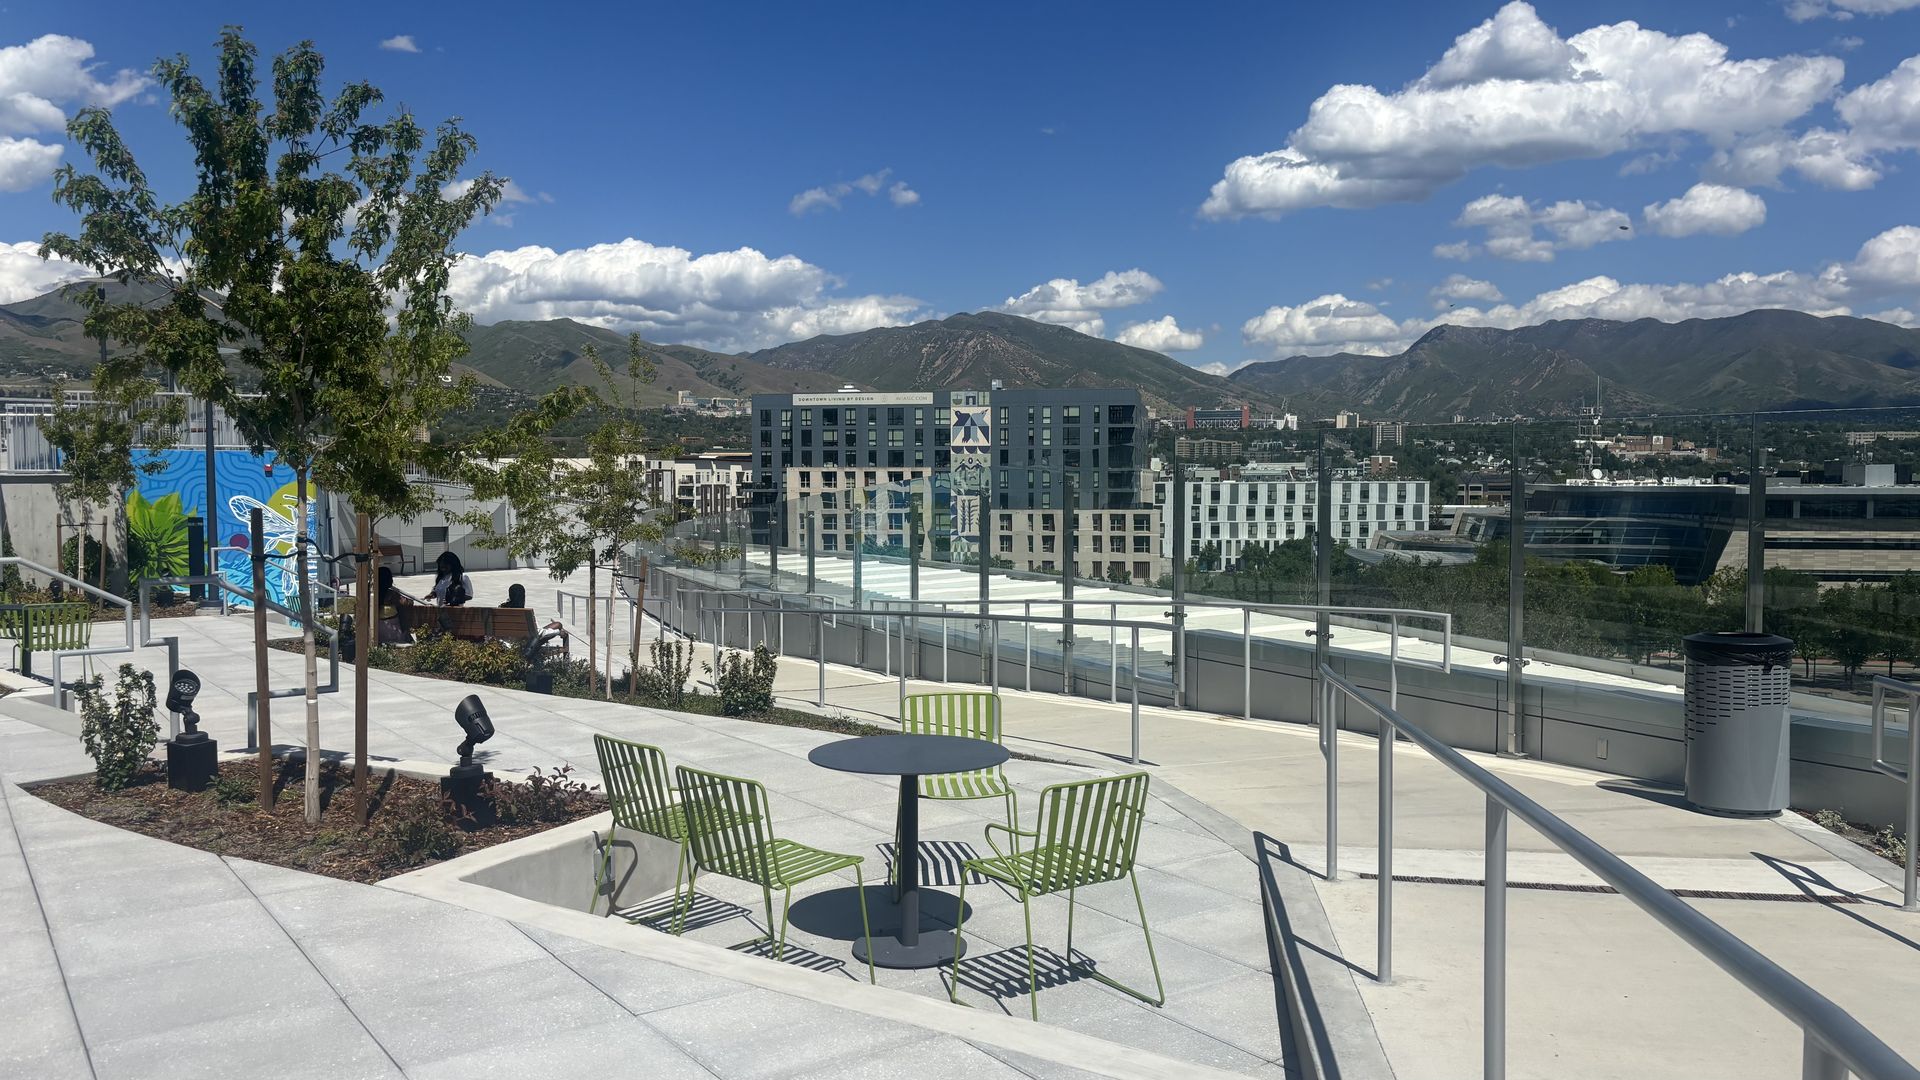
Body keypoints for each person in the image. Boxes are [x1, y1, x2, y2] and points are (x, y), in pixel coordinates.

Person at [376, 566, 411, 644]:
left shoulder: (370, 595)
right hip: (392, 633)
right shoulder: (392, 595)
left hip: (376, 632)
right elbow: (404, 610)